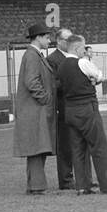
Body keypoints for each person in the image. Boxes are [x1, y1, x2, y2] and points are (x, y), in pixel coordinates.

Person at [57, 35, 107, 195]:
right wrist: (94, 79)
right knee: (99, 146)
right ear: (76, 48)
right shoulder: (82, 62)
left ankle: (82, 186)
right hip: (86, 108)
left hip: (70, 110)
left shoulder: (61, 66)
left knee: (78, 149)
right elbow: (99, 75)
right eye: (83, 48)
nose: (86, 51)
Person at [12, 23, 57, 194]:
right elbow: (31, 82)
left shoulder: (33, 54)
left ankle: (34, 186)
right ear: (38, 37)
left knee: (36, 149)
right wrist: (45, 98)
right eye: (47, 37)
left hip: (33, 109)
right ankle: (37, 186)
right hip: (34, 110)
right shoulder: (32, 55)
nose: (49, 40)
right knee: (38, 148)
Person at [44, 27, 77, 190]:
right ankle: (65, 180)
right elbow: (53, 85)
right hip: (63, 107)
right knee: (65, 145)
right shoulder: (52, 59)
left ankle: (80, 176)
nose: (70, 42)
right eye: (67, 39)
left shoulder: (74, 56)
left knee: (77, 143)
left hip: (76, 105)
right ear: (59, 41)